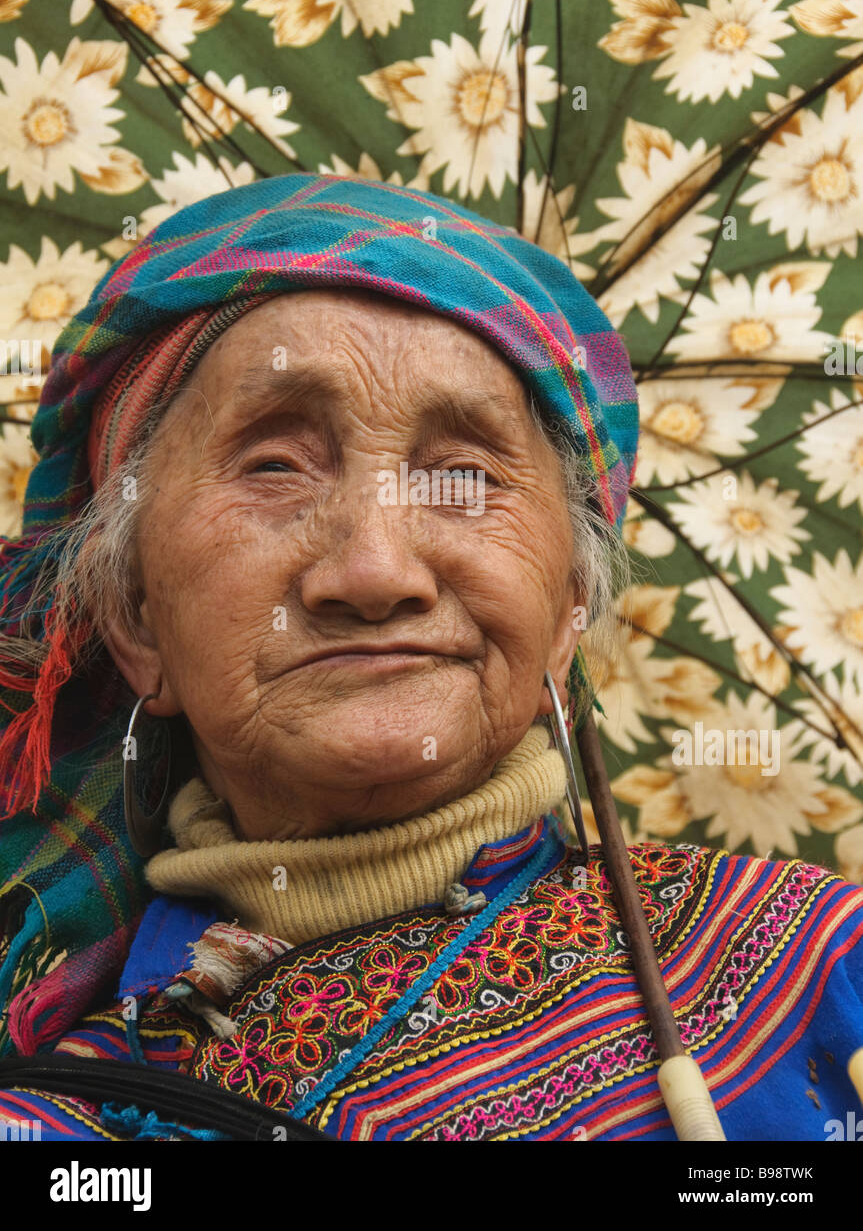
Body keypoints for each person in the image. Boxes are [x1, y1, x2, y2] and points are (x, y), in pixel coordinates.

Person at [0, 172, 861, 1142]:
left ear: (567, 605)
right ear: (136, 617)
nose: (373, 572)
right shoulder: (62, 1113)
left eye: (463, 476)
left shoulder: (818, 968)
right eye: (273, 464)